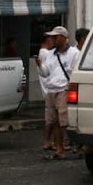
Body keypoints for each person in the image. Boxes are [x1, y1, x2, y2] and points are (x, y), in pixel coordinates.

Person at [35, 26, 78, 161]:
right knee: (53, 121)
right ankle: (59, 147)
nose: (52, 39)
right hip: (51, 90)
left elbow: (74, 72)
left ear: (64, 38)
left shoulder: (73, 53)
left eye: (56, 37)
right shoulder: (50, 54)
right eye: (52, 37)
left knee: (62, 121)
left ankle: (63, 147)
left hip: (63, 89)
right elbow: (46, 72)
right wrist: (39, 65)